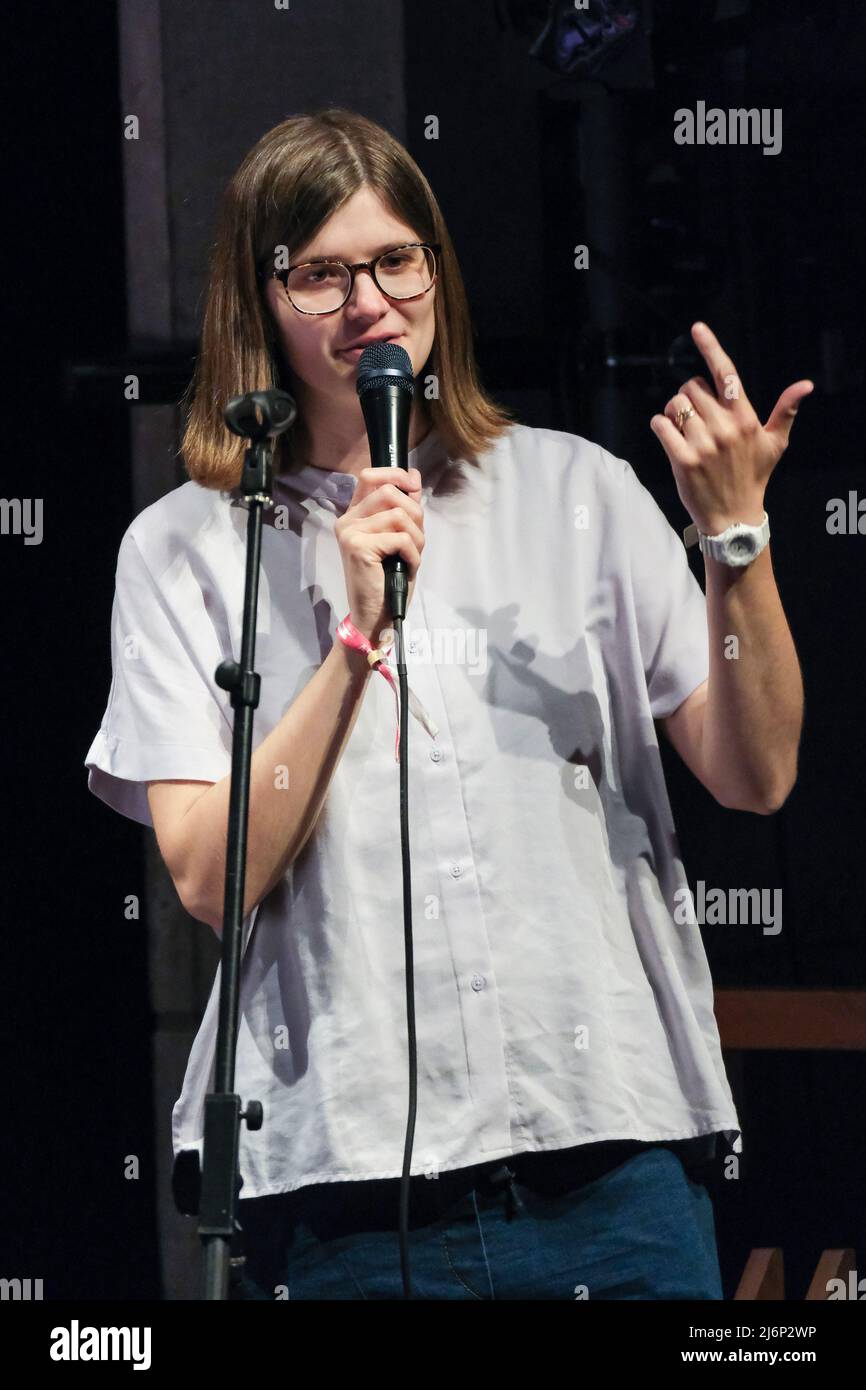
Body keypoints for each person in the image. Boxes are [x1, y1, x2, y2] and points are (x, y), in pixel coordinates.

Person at [85, 107, 807, 1300]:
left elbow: (757, 770)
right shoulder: (184, 552)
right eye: (318, 273)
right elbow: (212, 874)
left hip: (609, 1166)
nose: (368, 302)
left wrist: (734, 539)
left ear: (435, 273)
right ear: (256, 299)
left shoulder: (575, 490)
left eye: (394, 260)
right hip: (347, 1197)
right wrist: (355, 639)